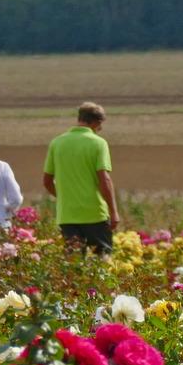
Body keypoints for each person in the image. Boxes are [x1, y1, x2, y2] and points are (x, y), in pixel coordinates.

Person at [43, 103, 120, 253]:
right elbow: (104, 180)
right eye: (100, 125)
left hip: (67, 215)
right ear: (96, 122)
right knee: (102, 258)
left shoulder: (57, 143)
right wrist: (113, 211)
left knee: (74, 262)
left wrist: (64, 197)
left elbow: (47, 181)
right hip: (95, 214)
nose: (100, 129)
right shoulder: (98, 143)